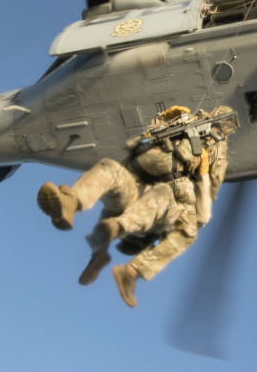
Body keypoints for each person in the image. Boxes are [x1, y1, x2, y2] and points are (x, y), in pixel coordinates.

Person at [36, 105, 238, 306]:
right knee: (110, 167)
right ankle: (71, 202)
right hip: (135, 183)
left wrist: (202, 173)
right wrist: (162, 118)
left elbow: (203, 215)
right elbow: (147, 138)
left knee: (163, 196)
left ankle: (123, 252)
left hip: (159, 206)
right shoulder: (188, 121)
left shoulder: (218, 154)